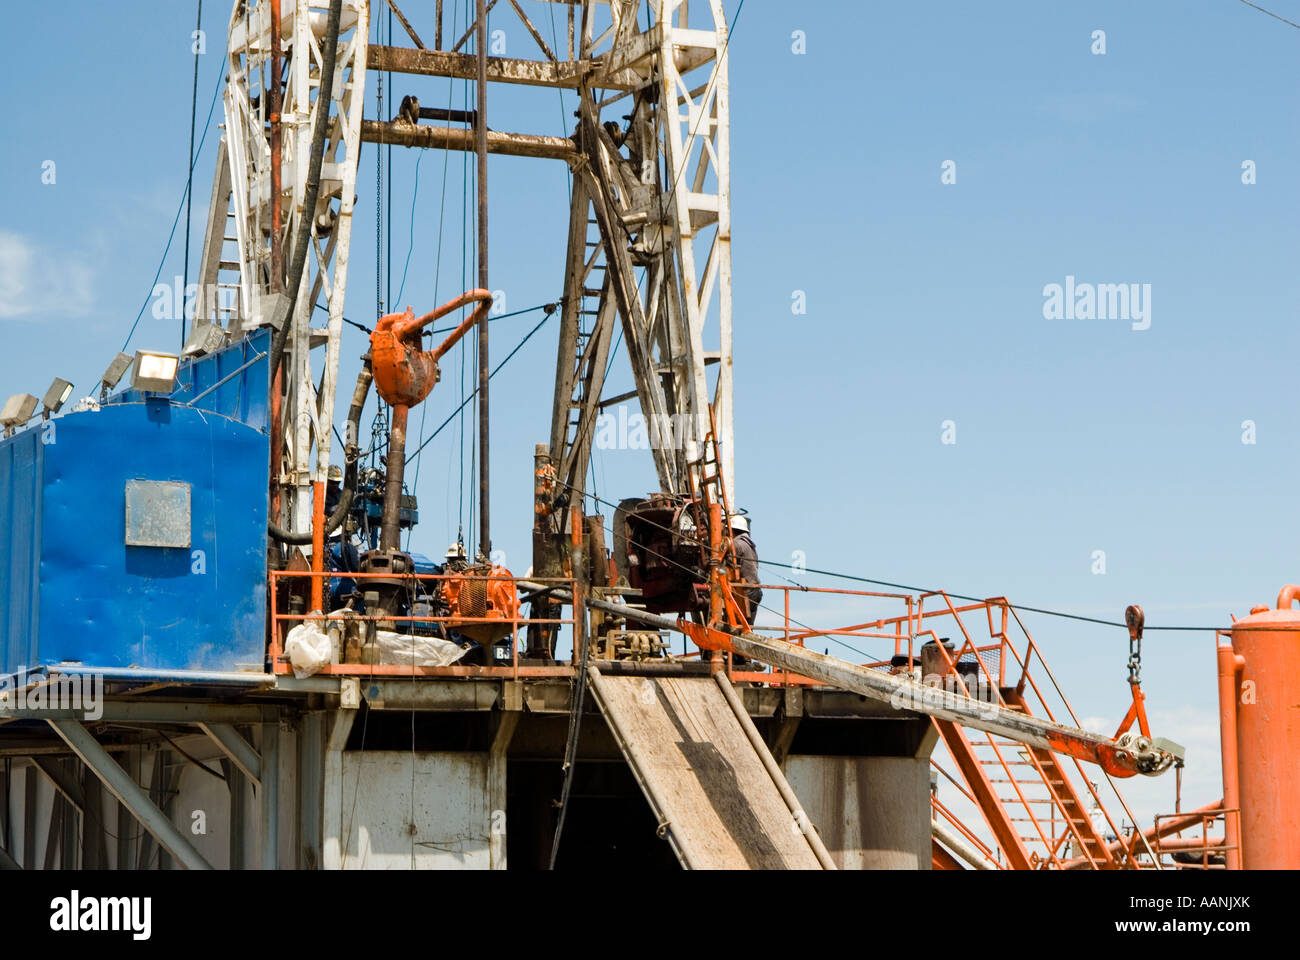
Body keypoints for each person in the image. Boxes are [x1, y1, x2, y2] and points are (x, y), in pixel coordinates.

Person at [729, 513, 762, 623]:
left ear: (732, 530)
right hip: (756, 591)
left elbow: (728, 564)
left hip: (745, 592)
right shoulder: (751, 545)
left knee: (735, 627)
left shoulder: (736, 544)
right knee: (748, 628)